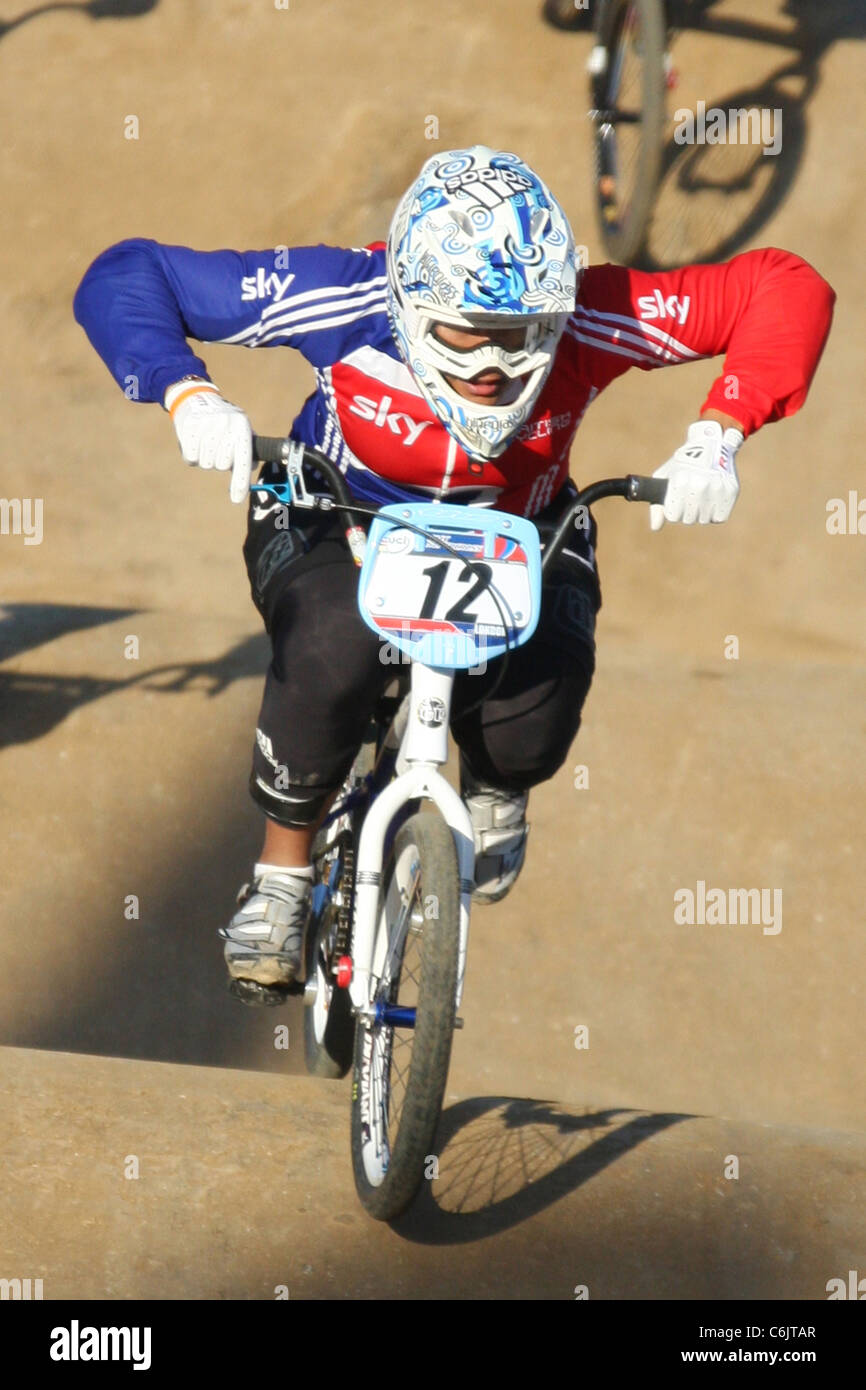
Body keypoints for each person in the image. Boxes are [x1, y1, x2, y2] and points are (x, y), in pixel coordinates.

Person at [74, 145, 834, 1004]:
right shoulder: (343, 292)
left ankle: (501, 785)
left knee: (531, 727)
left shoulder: (589, 314)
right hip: (336, 505)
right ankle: (281, 873)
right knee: (333, 646)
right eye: (465, 332)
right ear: (406, 301)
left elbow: (784, 285)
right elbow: (129, 272)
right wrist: (186, 392)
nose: (492, 364)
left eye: (521, 337)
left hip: (523, 522)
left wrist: (720, 431)